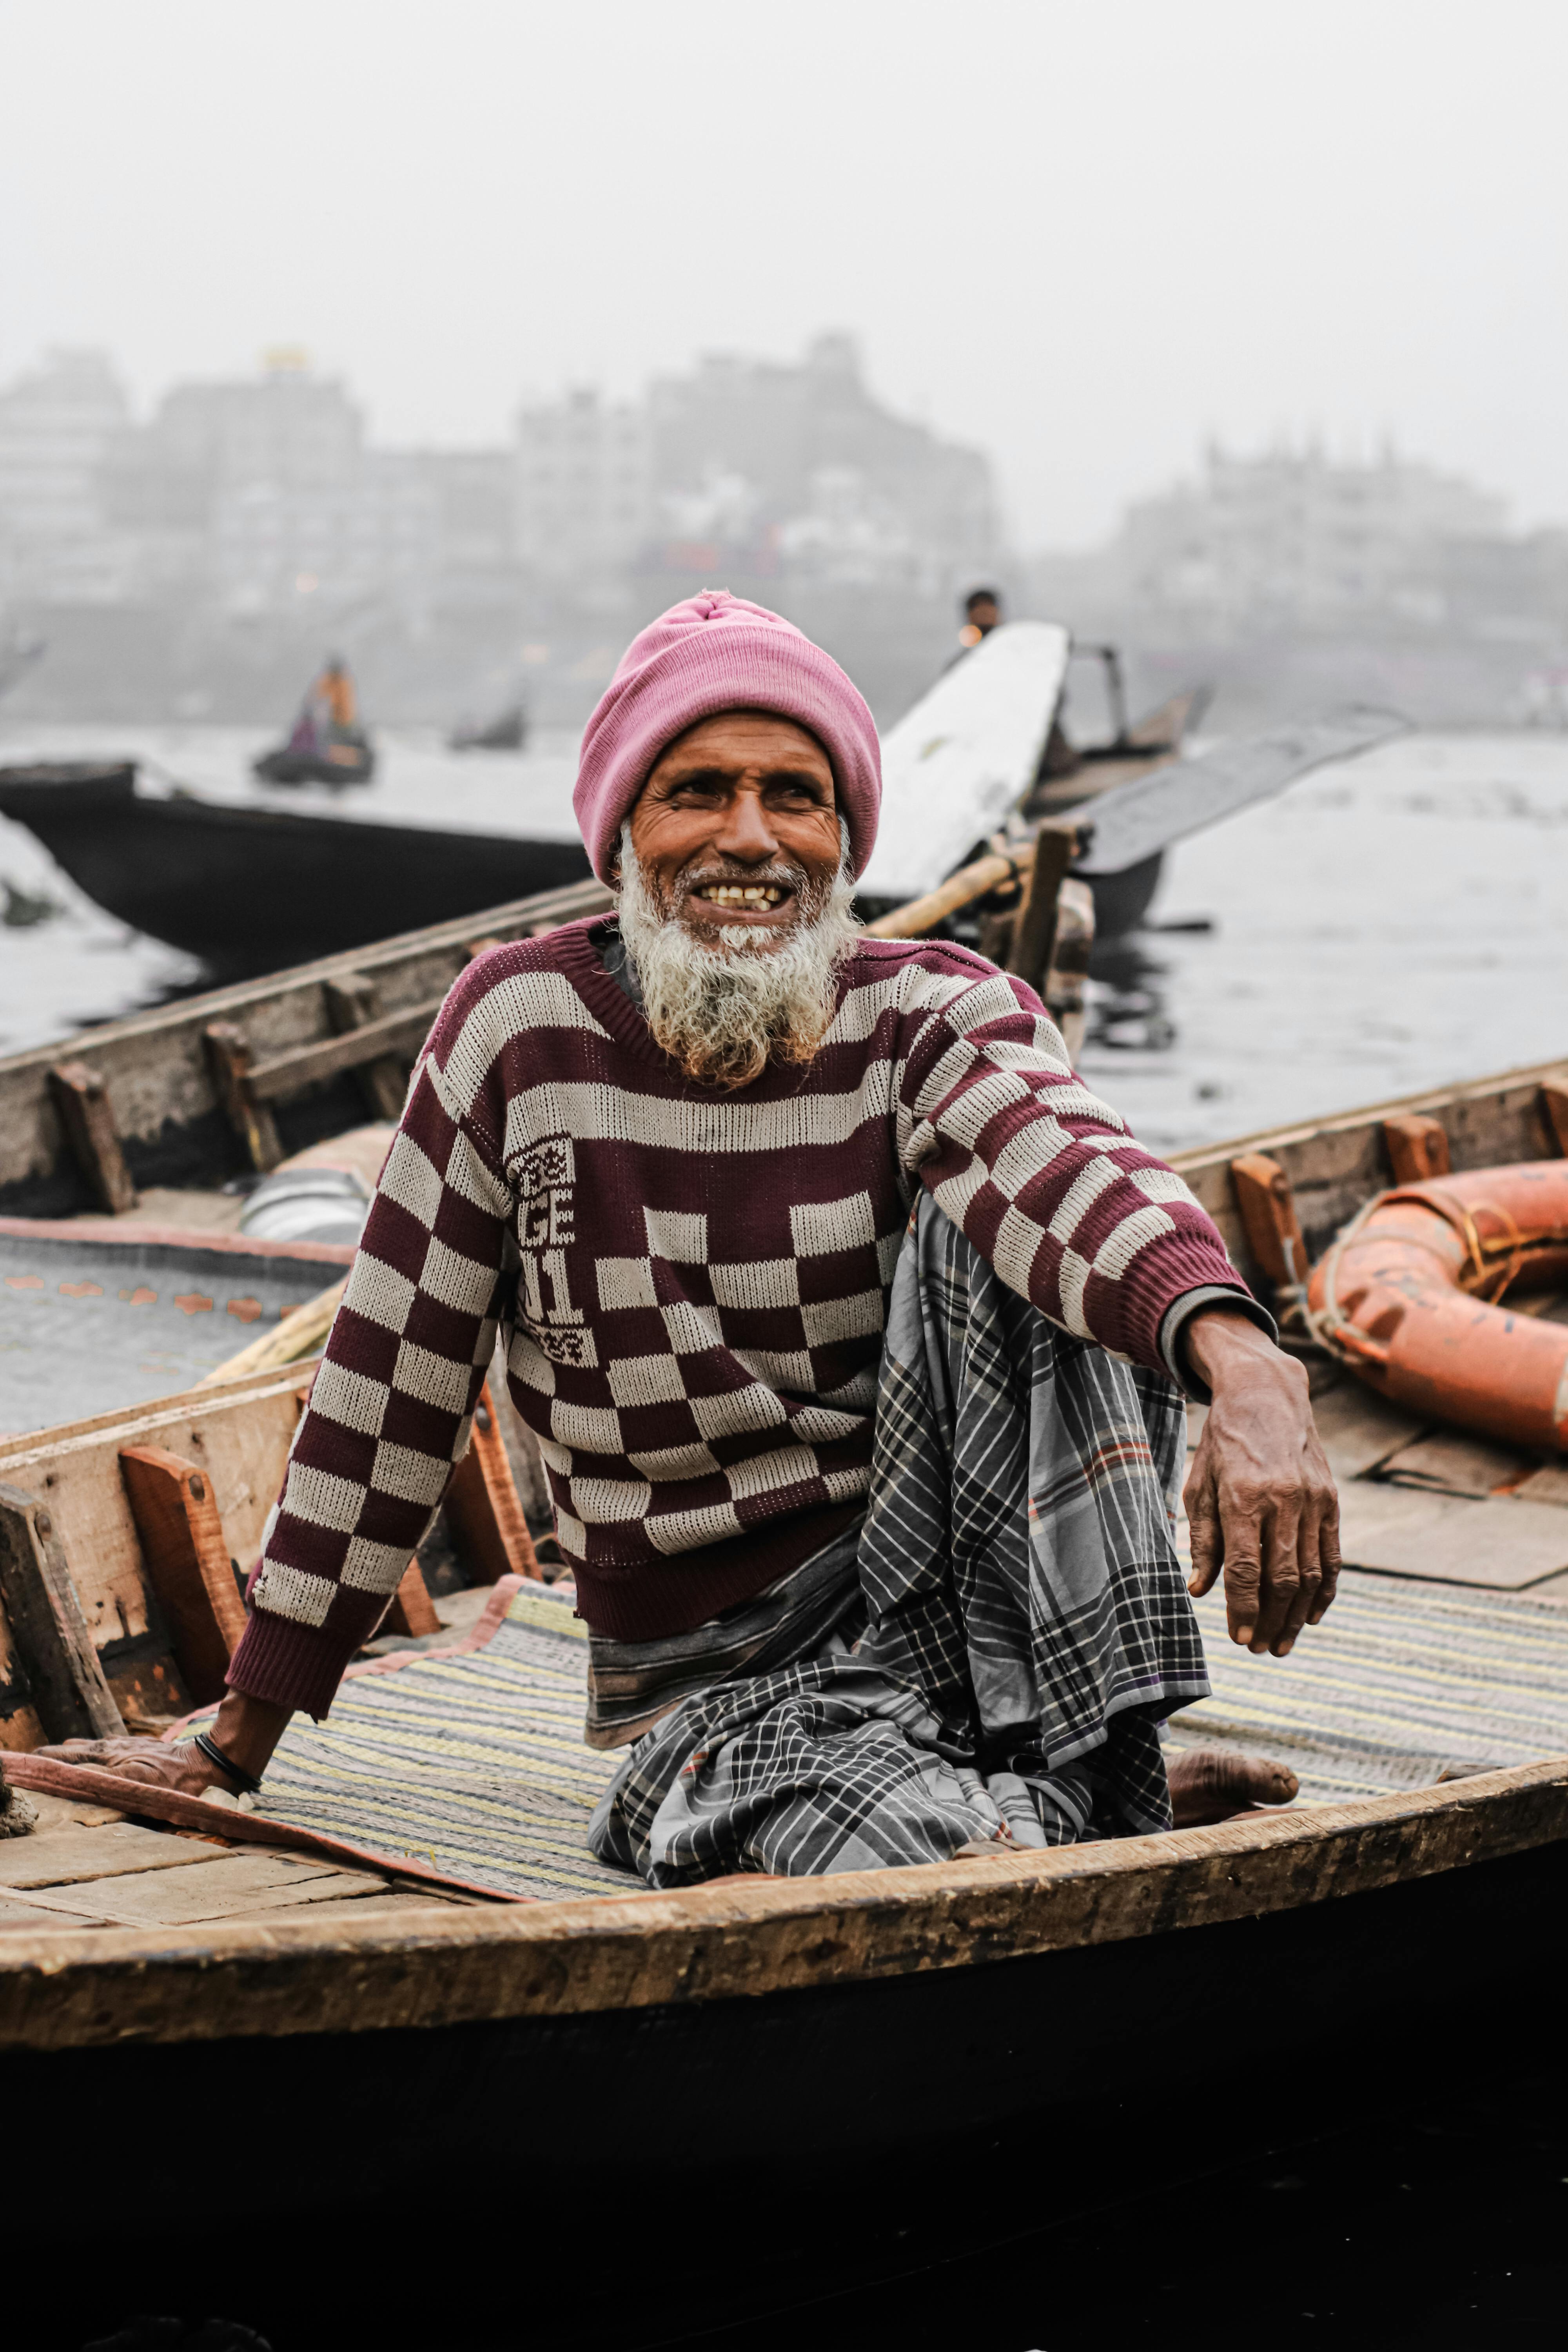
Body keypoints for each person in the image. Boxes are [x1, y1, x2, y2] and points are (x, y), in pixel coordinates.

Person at [42, 592, 1336, 1879]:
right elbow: (390, 1387)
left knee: (1023, 1236)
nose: (751, 840)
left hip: (948, 1617)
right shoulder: (521, 1030)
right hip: (722, 1675)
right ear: (622, 835)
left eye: (796, 797)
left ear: (845, 835)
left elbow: (1074, 1164)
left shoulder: (932, 1015)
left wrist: (1247, 1361)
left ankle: (1072, 1755)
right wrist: (231, 1746)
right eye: (699, 792)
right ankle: (1071, 1801)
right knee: (859, 1835)